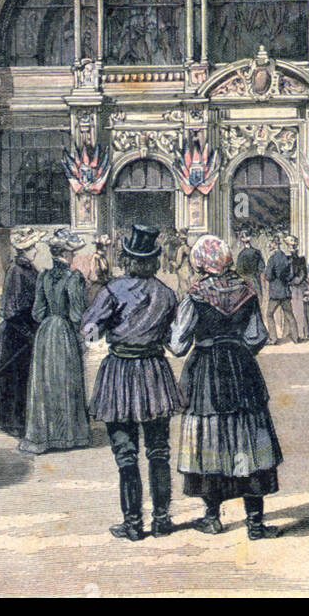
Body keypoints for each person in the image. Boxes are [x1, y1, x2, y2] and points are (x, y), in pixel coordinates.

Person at [169, 234, 284, 538]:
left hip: (206, 368)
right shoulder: (246, 290)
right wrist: (236, 346)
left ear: (200, 263)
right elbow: (258, 337)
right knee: (247, 434)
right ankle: (255, 523)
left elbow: (178, 345)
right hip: (241, 367)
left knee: (210, 437)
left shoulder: (194, 295)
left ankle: (212, 517)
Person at [81, 223, 181, 541]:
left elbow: (89, 330)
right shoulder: (167, 293)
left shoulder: (113, 290)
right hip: (154, 374)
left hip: (120, 374)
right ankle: (162, 520)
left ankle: (133, 523)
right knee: (159, 451)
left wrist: (100, 330)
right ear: (153, 260)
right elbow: (173, 339)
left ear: (127, 258)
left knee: (126, 454)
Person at [20, 230, 90, 455]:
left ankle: (45, 435)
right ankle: (68, 435)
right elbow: (78, 313)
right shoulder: (74, 277)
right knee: (65, 380)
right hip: (63, 332)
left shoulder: (44, 276)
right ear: (67, 254)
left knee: (45, 383)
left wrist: (50, 319)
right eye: (73, 253)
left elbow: (37, 312)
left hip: (45, 332)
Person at [0, 228, 42, 438]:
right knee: (12, 378)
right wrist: (28, 333)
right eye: (32, 247)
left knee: (22, 378)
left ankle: (19, 420)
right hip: (15, 333)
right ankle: (12, 422)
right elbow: (11, 309)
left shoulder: (28, 268)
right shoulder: (17, 270)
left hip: (25, 329)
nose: (36, 251)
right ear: (24, 250)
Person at [264, 236, 299, 344]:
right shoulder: (285, 257)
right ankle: (296, 338)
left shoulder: (272, 258)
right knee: (289, 314)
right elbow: (291, 274)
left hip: (275, 292)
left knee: (269, 315)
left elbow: (269, 276)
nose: (269, 245)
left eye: (271, 243)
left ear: (275, 244)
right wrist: (286, 281)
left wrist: (267, 277)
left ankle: (273, 338)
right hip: (285, 291)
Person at [287, 235, 309, 339]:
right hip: (292, 285)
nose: (292, 246)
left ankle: (305, 333)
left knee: (302, 308)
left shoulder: (301, 258)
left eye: (294, 243)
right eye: (290, 244)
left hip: (300, 285)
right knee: (295, 309)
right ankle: (296, 333)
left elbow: (303, 272)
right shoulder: (286, 257)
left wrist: (299, 279)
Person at [236, 233, 264, 300]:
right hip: (252, 279)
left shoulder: (242, 254)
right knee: (257, 297)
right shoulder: (255, 252)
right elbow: (261, 266)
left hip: (250, 280)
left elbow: (239, 270)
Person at [173, 229, 193, 297]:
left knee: (183, 289)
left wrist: (172, 263)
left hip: (182, 271)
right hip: (189, 270)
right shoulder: (189, 248)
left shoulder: (181, 249)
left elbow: (178, 264)